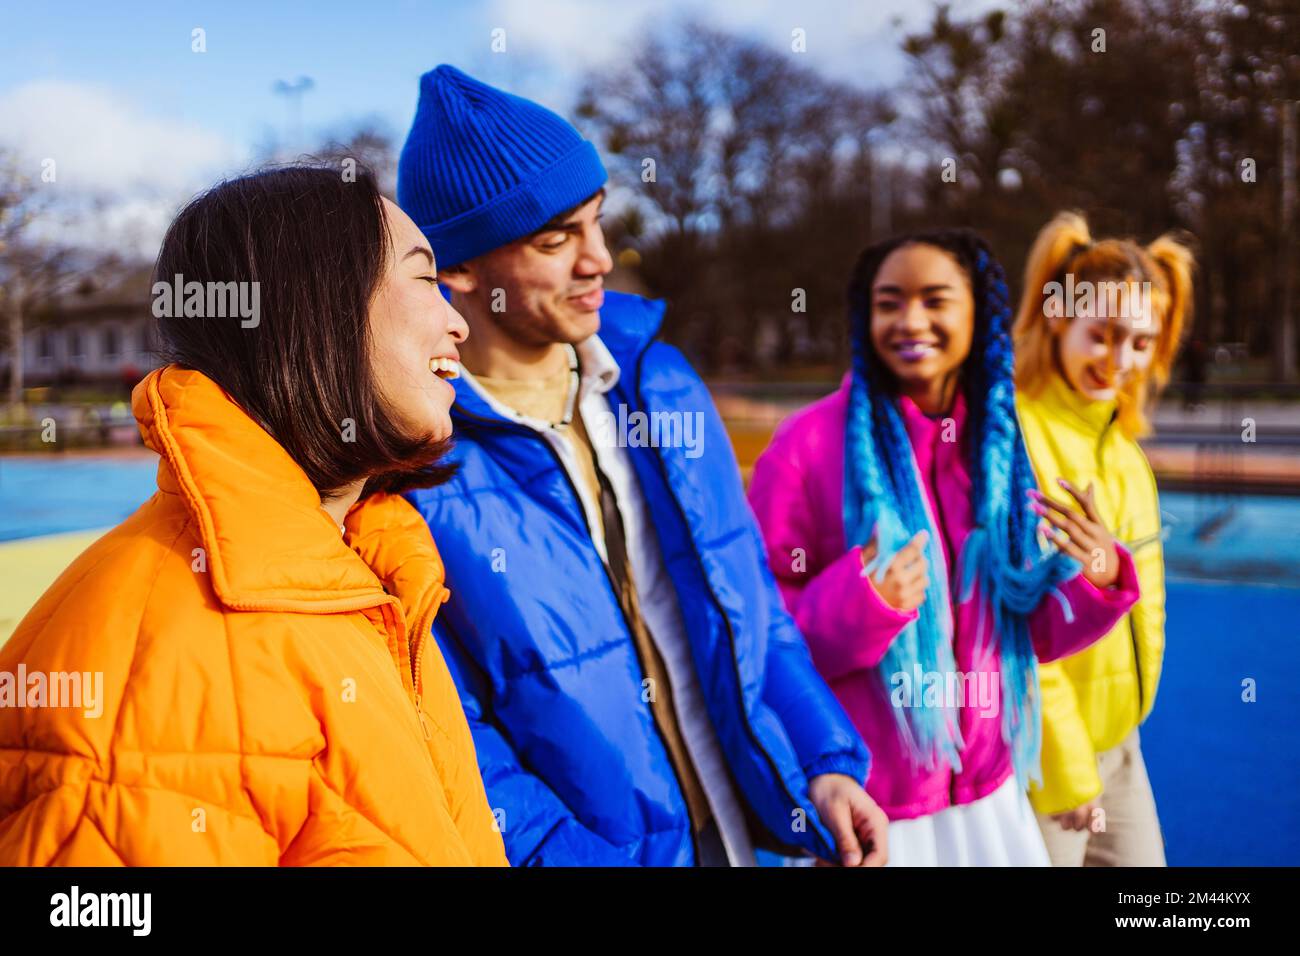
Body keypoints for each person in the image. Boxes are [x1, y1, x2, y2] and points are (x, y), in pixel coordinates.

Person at [397, 65, 887, 867]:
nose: (598, 259)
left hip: (734, 833)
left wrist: (822, 765)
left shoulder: (660, 380)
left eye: (597, 221)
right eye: (555, 239)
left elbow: (749, 599)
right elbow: (453, 737)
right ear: (459, 269)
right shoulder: (417, 461)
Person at [0, 165, 508, 866]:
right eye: (425, 279)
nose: (456, 320)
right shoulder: (143, 681)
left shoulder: (366, 576)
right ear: (315, 306)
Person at [748, 229, 1141, 866]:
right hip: (875, 808)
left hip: (988, 796)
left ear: (977, 314)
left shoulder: (1000, 447)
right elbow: (761, 633)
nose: (911, 320)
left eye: (935, 299)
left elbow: (1025, 633)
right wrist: (861, 600)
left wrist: (1090, 577)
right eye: (888, 302)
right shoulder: (805, 446)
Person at [1013, 211, 1193, 866]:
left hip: (1121, 747)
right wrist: (1066, 774)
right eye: (1105, 335)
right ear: (1059, 317)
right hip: (1044, 757)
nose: (1120, 361)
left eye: (1141, 342)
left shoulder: (1124, 452)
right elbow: (1025, 630)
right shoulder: (1019, 437)